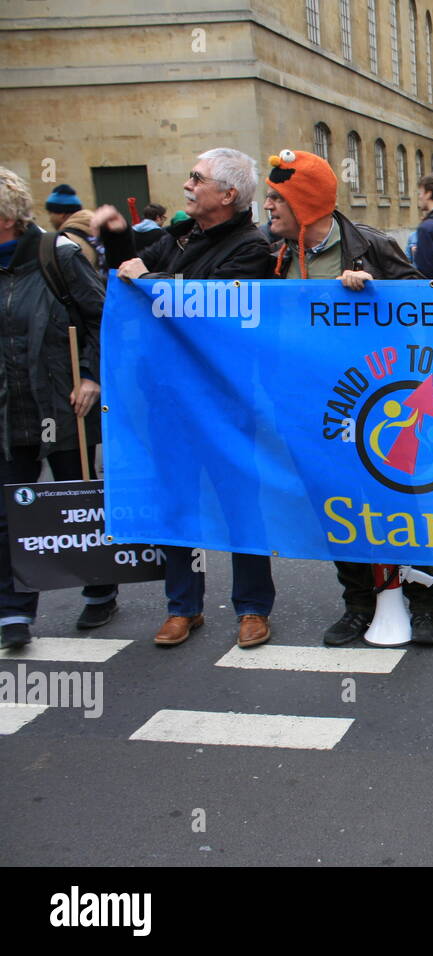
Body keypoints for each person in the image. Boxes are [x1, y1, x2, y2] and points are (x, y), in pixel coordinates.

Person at [259, 148, 433, 648]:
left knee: (396, 503)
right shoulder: (270, 254)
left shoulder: (373, 247)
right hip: (309, 407)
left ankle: (423, 601)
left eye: (278, 198)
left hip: (372, 405)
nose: (269, 207)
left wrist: (376, 294)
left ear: (307, 203)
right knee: (338, 506)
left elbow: (423, 308)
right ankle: (359, 605)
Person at [93, 147, 275, 650]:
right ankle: (183, 607)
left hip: (224, 401)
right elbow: (129, 280)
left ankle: (253, 606)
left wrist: (148, 278)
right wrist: (115, 242)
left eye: (198, 178)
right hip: (168, 398)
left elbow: (205, 307)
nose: (188, 185)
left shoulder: (250, 248)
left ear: (228, 194)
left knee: (240, 502)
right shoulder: (177, 237)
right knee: (177, 499)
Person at [0, 167, 112, 649]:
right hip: (8, 411)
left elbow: (101, 318)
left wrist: (91, 376)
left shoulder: (58, 255)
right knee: (9, 510)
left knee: (76, 499)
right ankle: (13, 612)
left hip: (62, 402)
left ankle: (99, 586)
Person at [45, 184, 101, 272]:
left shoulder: (65, 240)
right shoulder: (99, 231)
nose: (50, 219)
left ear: (62, 215)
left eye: (50, 213)